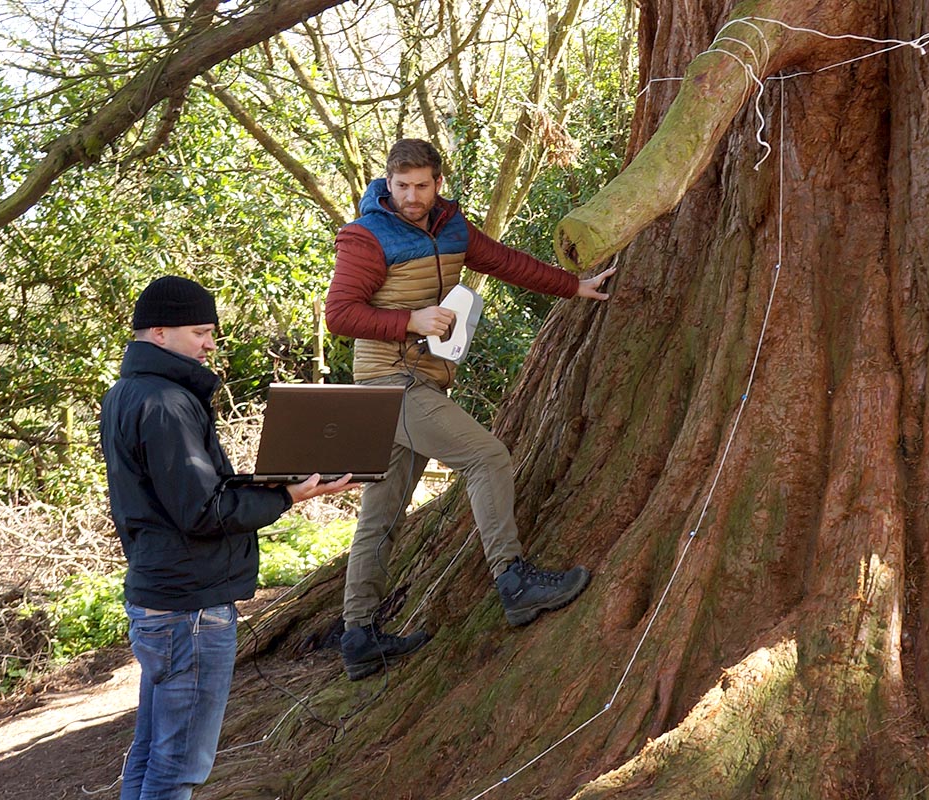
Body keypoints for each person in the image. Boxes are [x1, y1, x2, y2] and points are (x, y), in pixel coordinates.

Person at [326, 138, 616, 681]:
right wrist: (410, 322)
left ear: (439, 184)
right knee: (486, 457)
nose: (411, 197)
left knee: (380, 515)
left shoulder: (453, 227)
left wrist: (573, 286)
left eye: (421, 186)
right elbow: (339, 314)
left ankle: (358, 635)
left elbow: (507, 263)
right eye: (401, 186)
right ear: (387, 183)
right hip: (390, 384)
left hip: (421, 382)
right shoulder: (366, 236)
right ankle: (514, 581)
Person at [101, 275, 354, 800]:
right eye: (200, 332)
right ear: (159, 333)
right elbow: (202, 510)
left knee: (150, 758)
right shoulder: (168, 403)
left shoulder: (128, 393)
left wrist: (274, 484)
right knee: (178, 770)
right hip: (190, 607)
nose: (209, 344)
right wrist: (289, 497)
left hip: (160, 597)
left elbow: (180, 495)